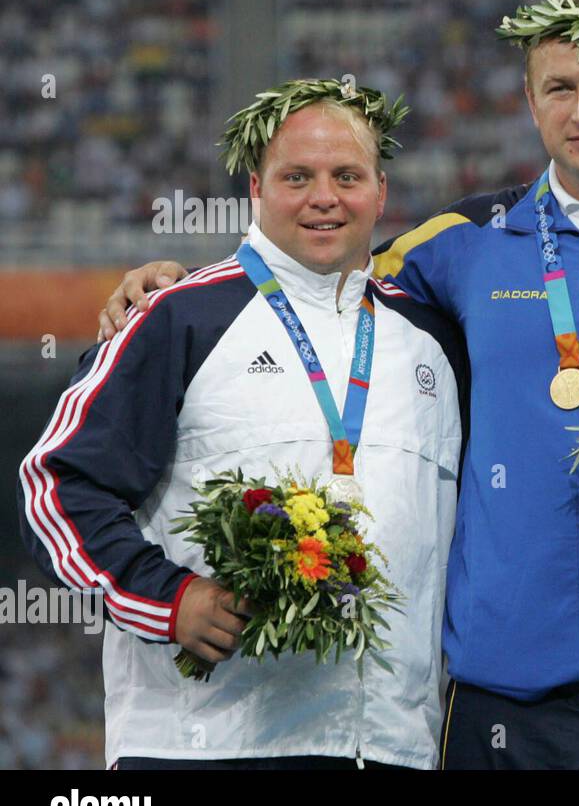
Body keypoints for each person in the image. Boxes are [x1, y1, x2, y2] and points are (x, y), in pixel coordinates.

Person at [99, 0, 579, 770]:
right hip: (503, 691)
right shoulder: (462, 242)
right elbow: (316, 270)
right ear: (530, 102)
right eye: (559, 88)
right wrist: (179, 283)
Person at [21, 80, 468, 769]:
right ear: (256, 188)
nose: (325, 196)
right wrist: (169, 598)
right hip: (203, 745)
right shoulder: (175, 316)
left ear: (381, 192)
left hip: (388, 746)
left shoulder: (434, 340)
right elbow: (55, 485)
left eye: (347, 176)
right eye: (298, 177)